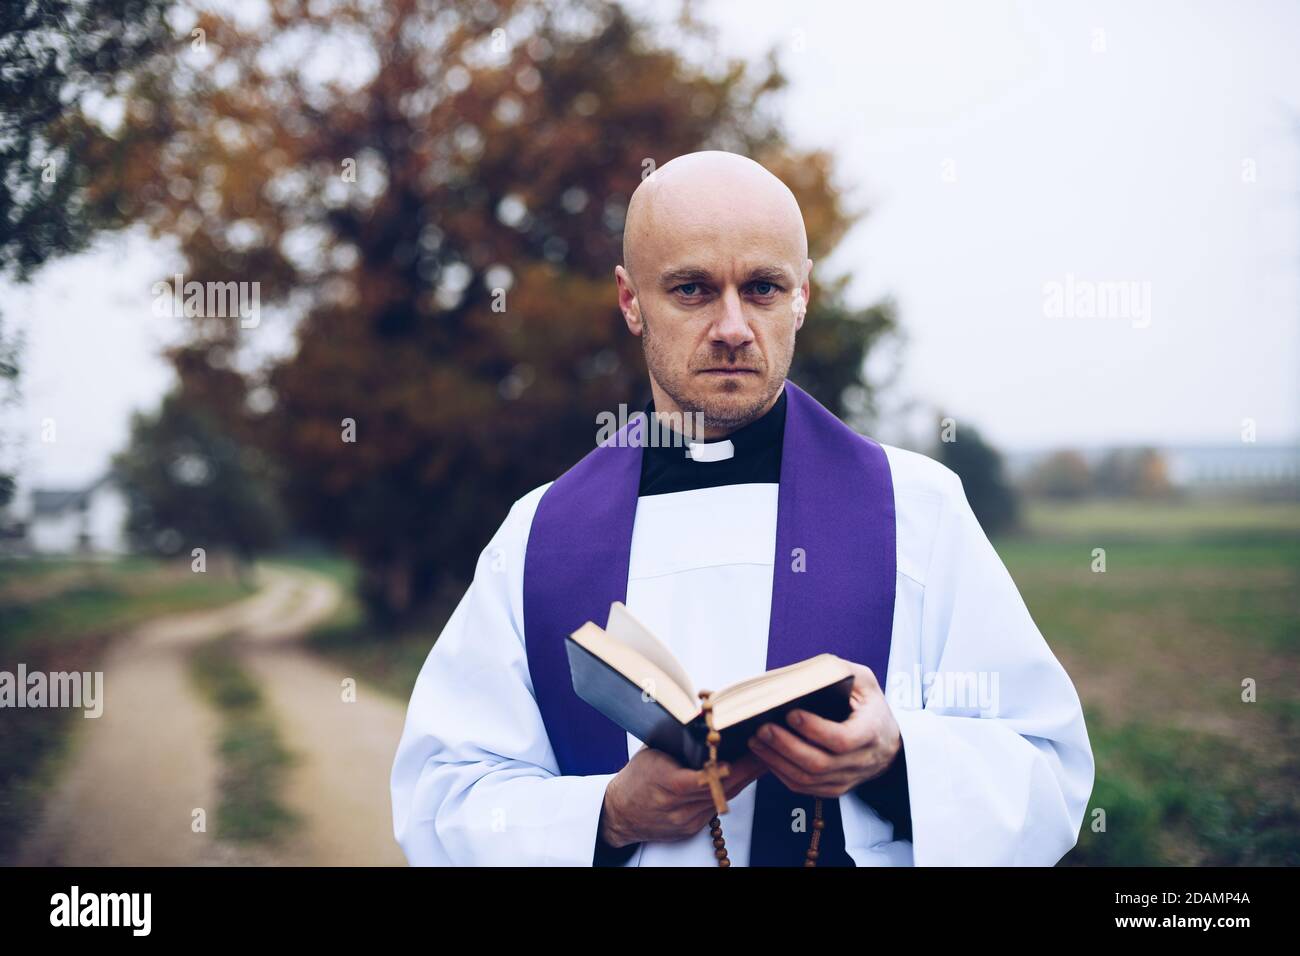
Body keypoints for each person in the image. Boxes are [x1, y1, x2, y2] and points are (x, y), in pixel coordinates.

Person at [390, 151, 1094, 866]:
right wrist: (607, 816)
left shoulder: (917, 512)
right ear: (631, 302)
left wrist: (896, 760)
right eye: (692, 289)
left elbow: (1047, 773)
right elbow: (441, 799)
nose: (732, 326)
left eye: (761, 288)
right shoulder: (539, 536)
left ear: (802, 296)